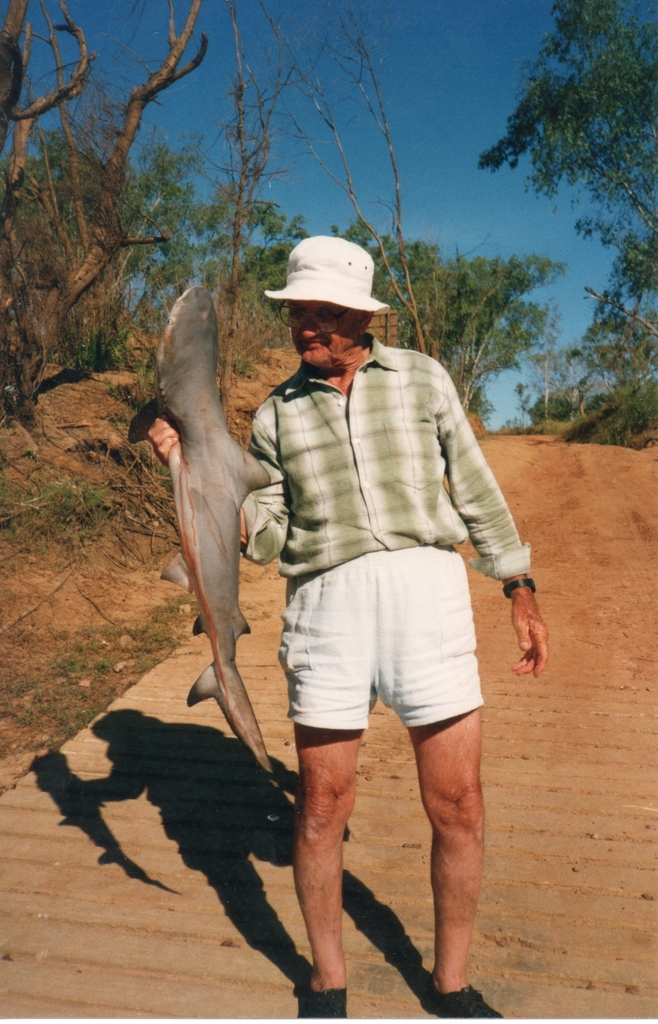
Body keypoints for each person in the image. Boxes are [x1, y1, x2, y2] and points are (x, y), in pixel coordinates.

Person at [148, 236, 549, 1019]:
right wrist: (189, 463)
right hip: (325, 603)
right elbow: (261, 536)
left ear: (363, 315)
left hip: (426, 593)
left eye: (326, 314)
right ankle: (328, 985)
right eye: (299, 314)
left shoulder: (424, 380)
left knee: (458, 802)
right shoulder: (272, 415)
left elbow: (474, 486)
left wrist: (518, 585)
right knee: (323, 804)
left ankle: (452, 984)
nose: (309, 328)